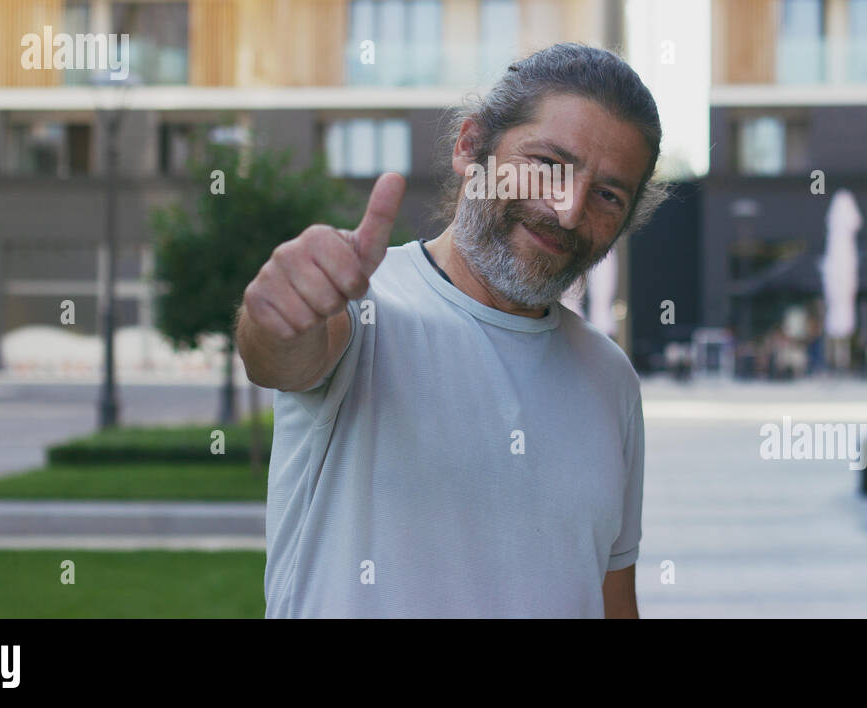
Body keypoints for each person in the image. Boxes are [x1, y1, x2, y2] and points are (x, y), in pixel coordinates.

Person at [237, 44, 665, 618]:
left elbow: (614, 600)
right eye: (546, 164)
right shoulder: (366, 307)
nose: (569, 210)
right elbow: (283, 356)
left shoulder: (611, 378)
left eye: (608, 194)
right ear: (471, 147)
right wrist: (277, 314)